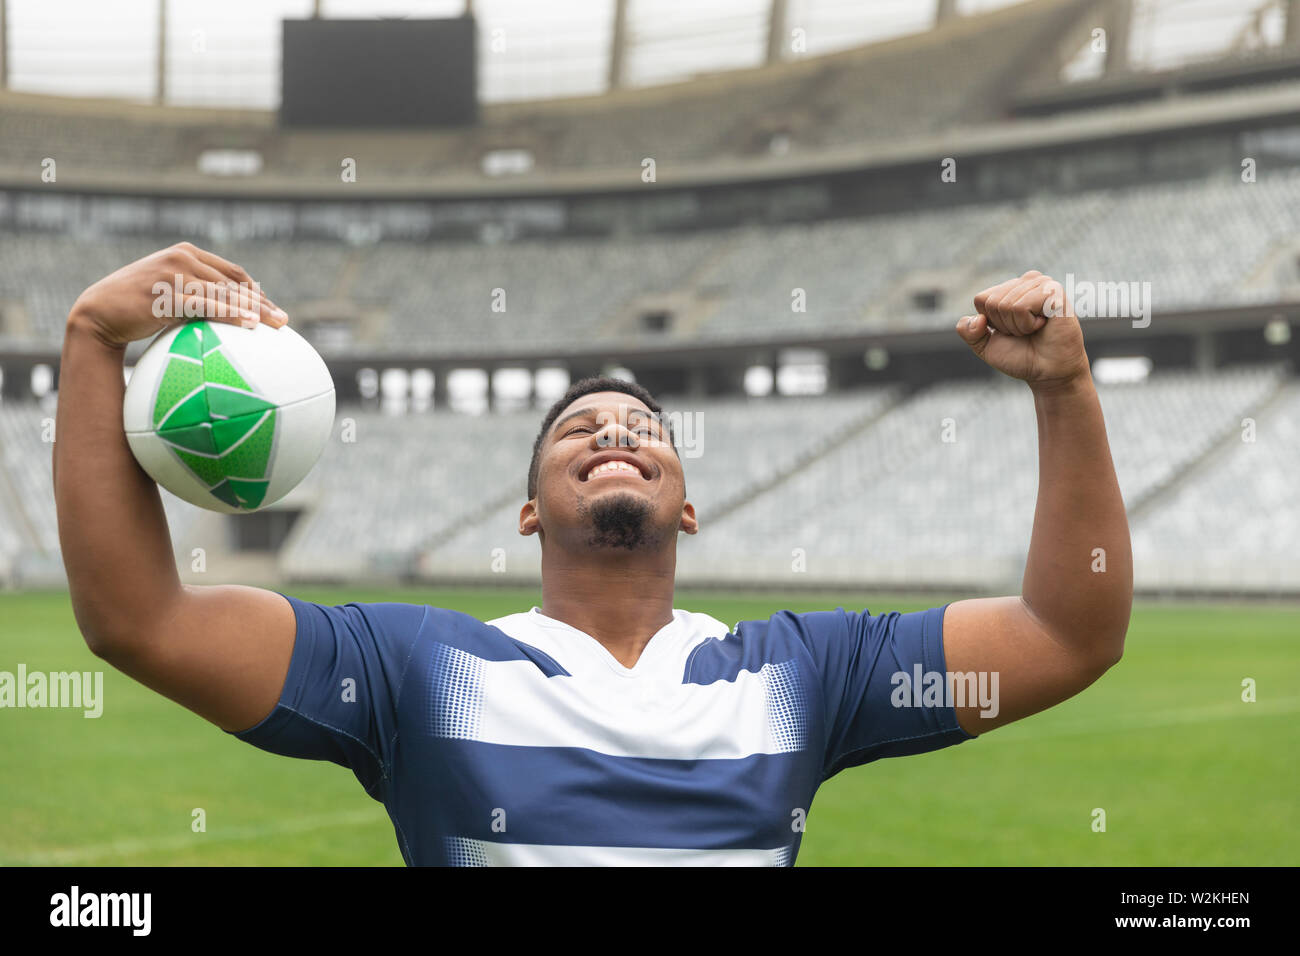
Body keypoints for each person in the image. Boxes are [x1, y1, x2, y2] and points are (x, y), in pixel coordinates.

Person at [55, 242, 1132, 865]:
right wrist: (96, 340)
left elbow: (1064, 631)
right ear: (528, 513)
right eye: (580, 429)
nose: (615, 429)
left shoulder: (802, 673)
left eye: (643, 427)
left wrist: (1066, 390)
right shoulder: (416, 668)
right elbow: (139, 617)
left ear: (689, 505)